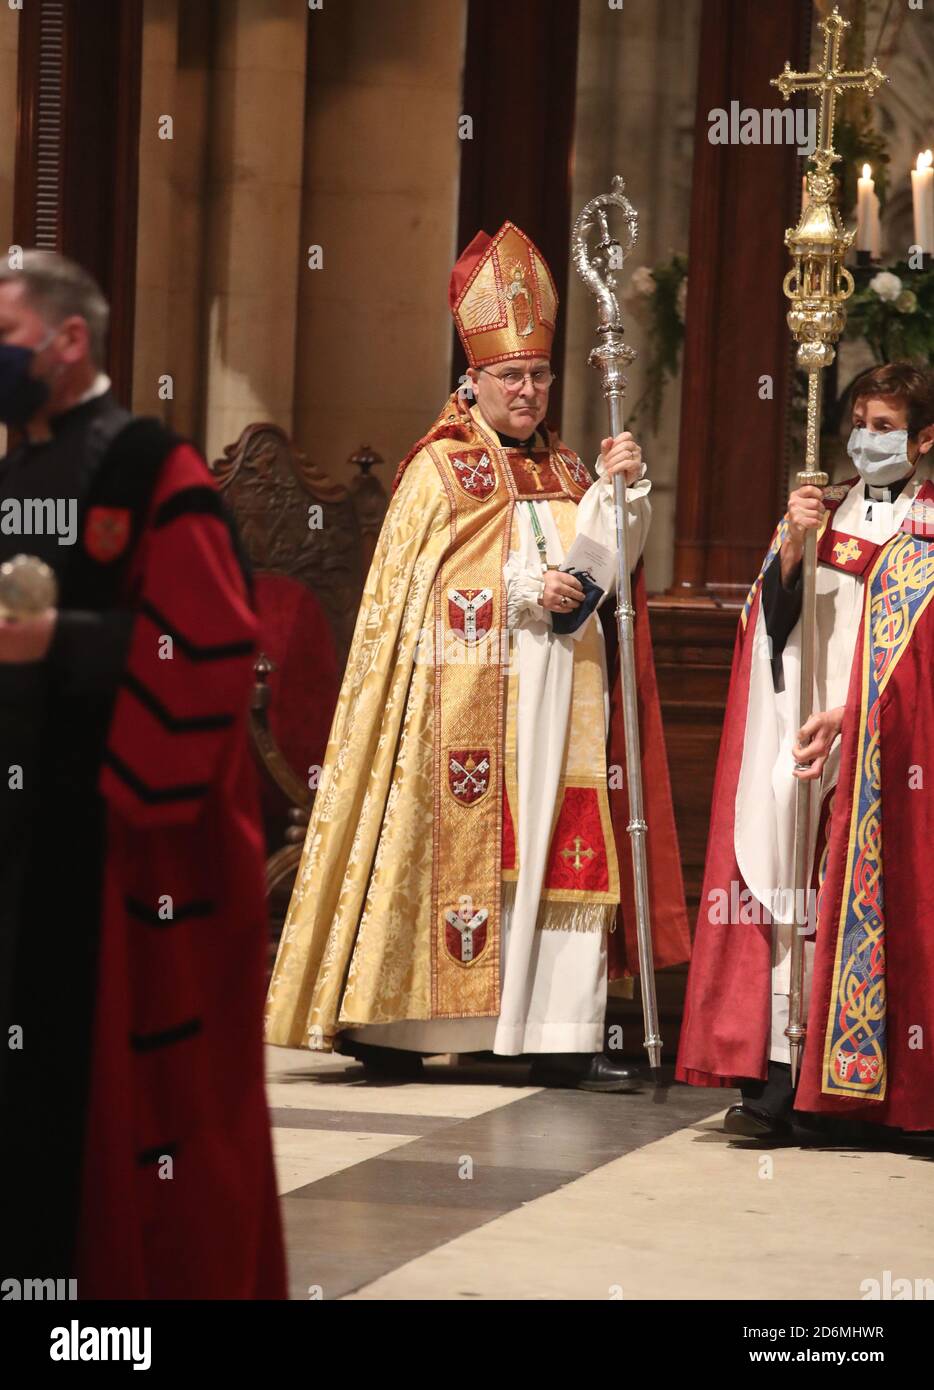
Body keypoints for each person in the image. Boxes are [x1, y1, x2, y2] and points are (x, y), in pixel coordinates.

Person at [266, 220, 689, 1091]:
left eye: (538, 374)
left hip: (562, 701)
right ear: (475, 377)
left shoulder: (572, 468)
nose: (529, 391)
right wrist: (526, 592)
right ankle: (414, 1029)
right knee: (468, 849)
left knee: (559, 849)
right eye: (512, 376)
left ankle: (554, 1032)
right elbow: (412, 599)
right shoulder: (439, 471)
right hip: (462, 712)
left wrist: (623, 493)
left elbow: (613, 561)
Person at [0, 250, 284, 1296]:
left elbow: (208, 647)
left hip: (107, 848)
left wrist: (61, 642)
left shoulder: (151, 471)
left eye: (8, 336)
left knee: (115, 1116)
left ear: (71, 341)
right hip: (15, 839)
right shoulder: (9, 473)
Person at [677, 362, 934, 1140]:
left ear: (924, 439)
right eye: (859, 423)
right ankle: (787, 1079)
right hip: (806, 745)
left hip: (888, 758)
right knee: (798, 907)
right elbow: (773, 629)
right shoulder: (820, 514)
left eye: (885, 427)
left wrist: (857, 718)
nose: (866, 439)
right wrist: (792, 548)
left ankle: (888, 1097)